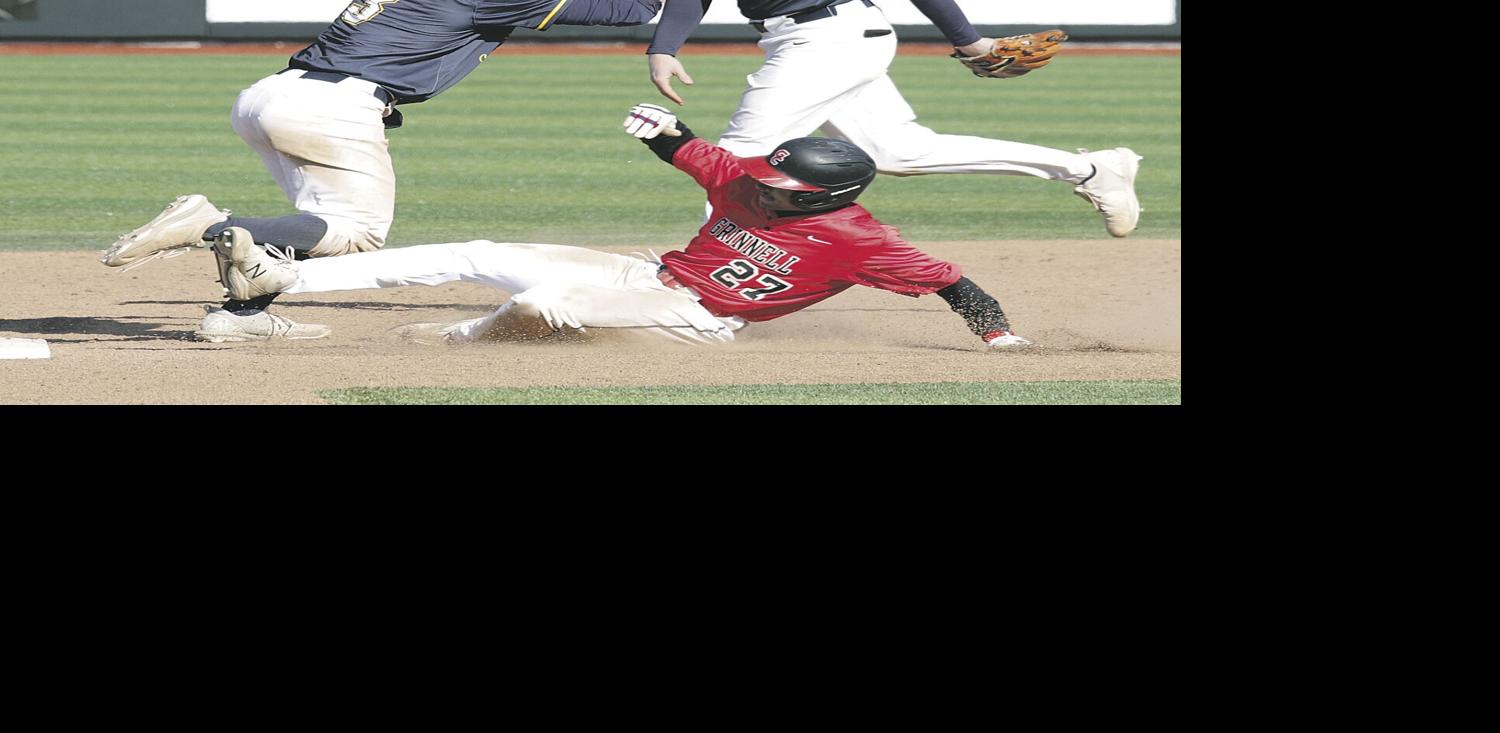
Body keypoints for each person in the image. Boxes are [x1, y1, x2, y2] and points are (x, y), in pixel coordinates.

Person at [196, 103, 1033, 350]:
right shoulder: (747, 179)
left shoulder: (864, 239)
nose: (761, 188)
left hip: (700, 323)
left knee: (542, 305)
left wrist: (1002, 343)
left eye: (782, 187)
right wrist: (657, 129)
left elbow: (955, 284)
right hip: (645, 275)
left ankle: (445, 344)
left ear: (825, 197)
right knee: (480, 252)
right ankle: (284, 280)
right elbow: (689, 151)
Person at [100, 0, 665, 341]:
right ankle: (206, 224)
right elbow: (633, 9)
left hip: (273, 93)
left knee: (316, 222)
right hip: (333, 107)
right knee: (356, 234)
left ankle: (240, 313)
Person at [645, 0, 1142, 238]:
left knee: (736, 158)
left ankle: (701, 287)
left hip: (827, 39)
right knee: (900, 151)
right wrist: (664, 46)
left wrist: (967, 38)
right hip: (815, 39)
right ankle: (1093, 169)